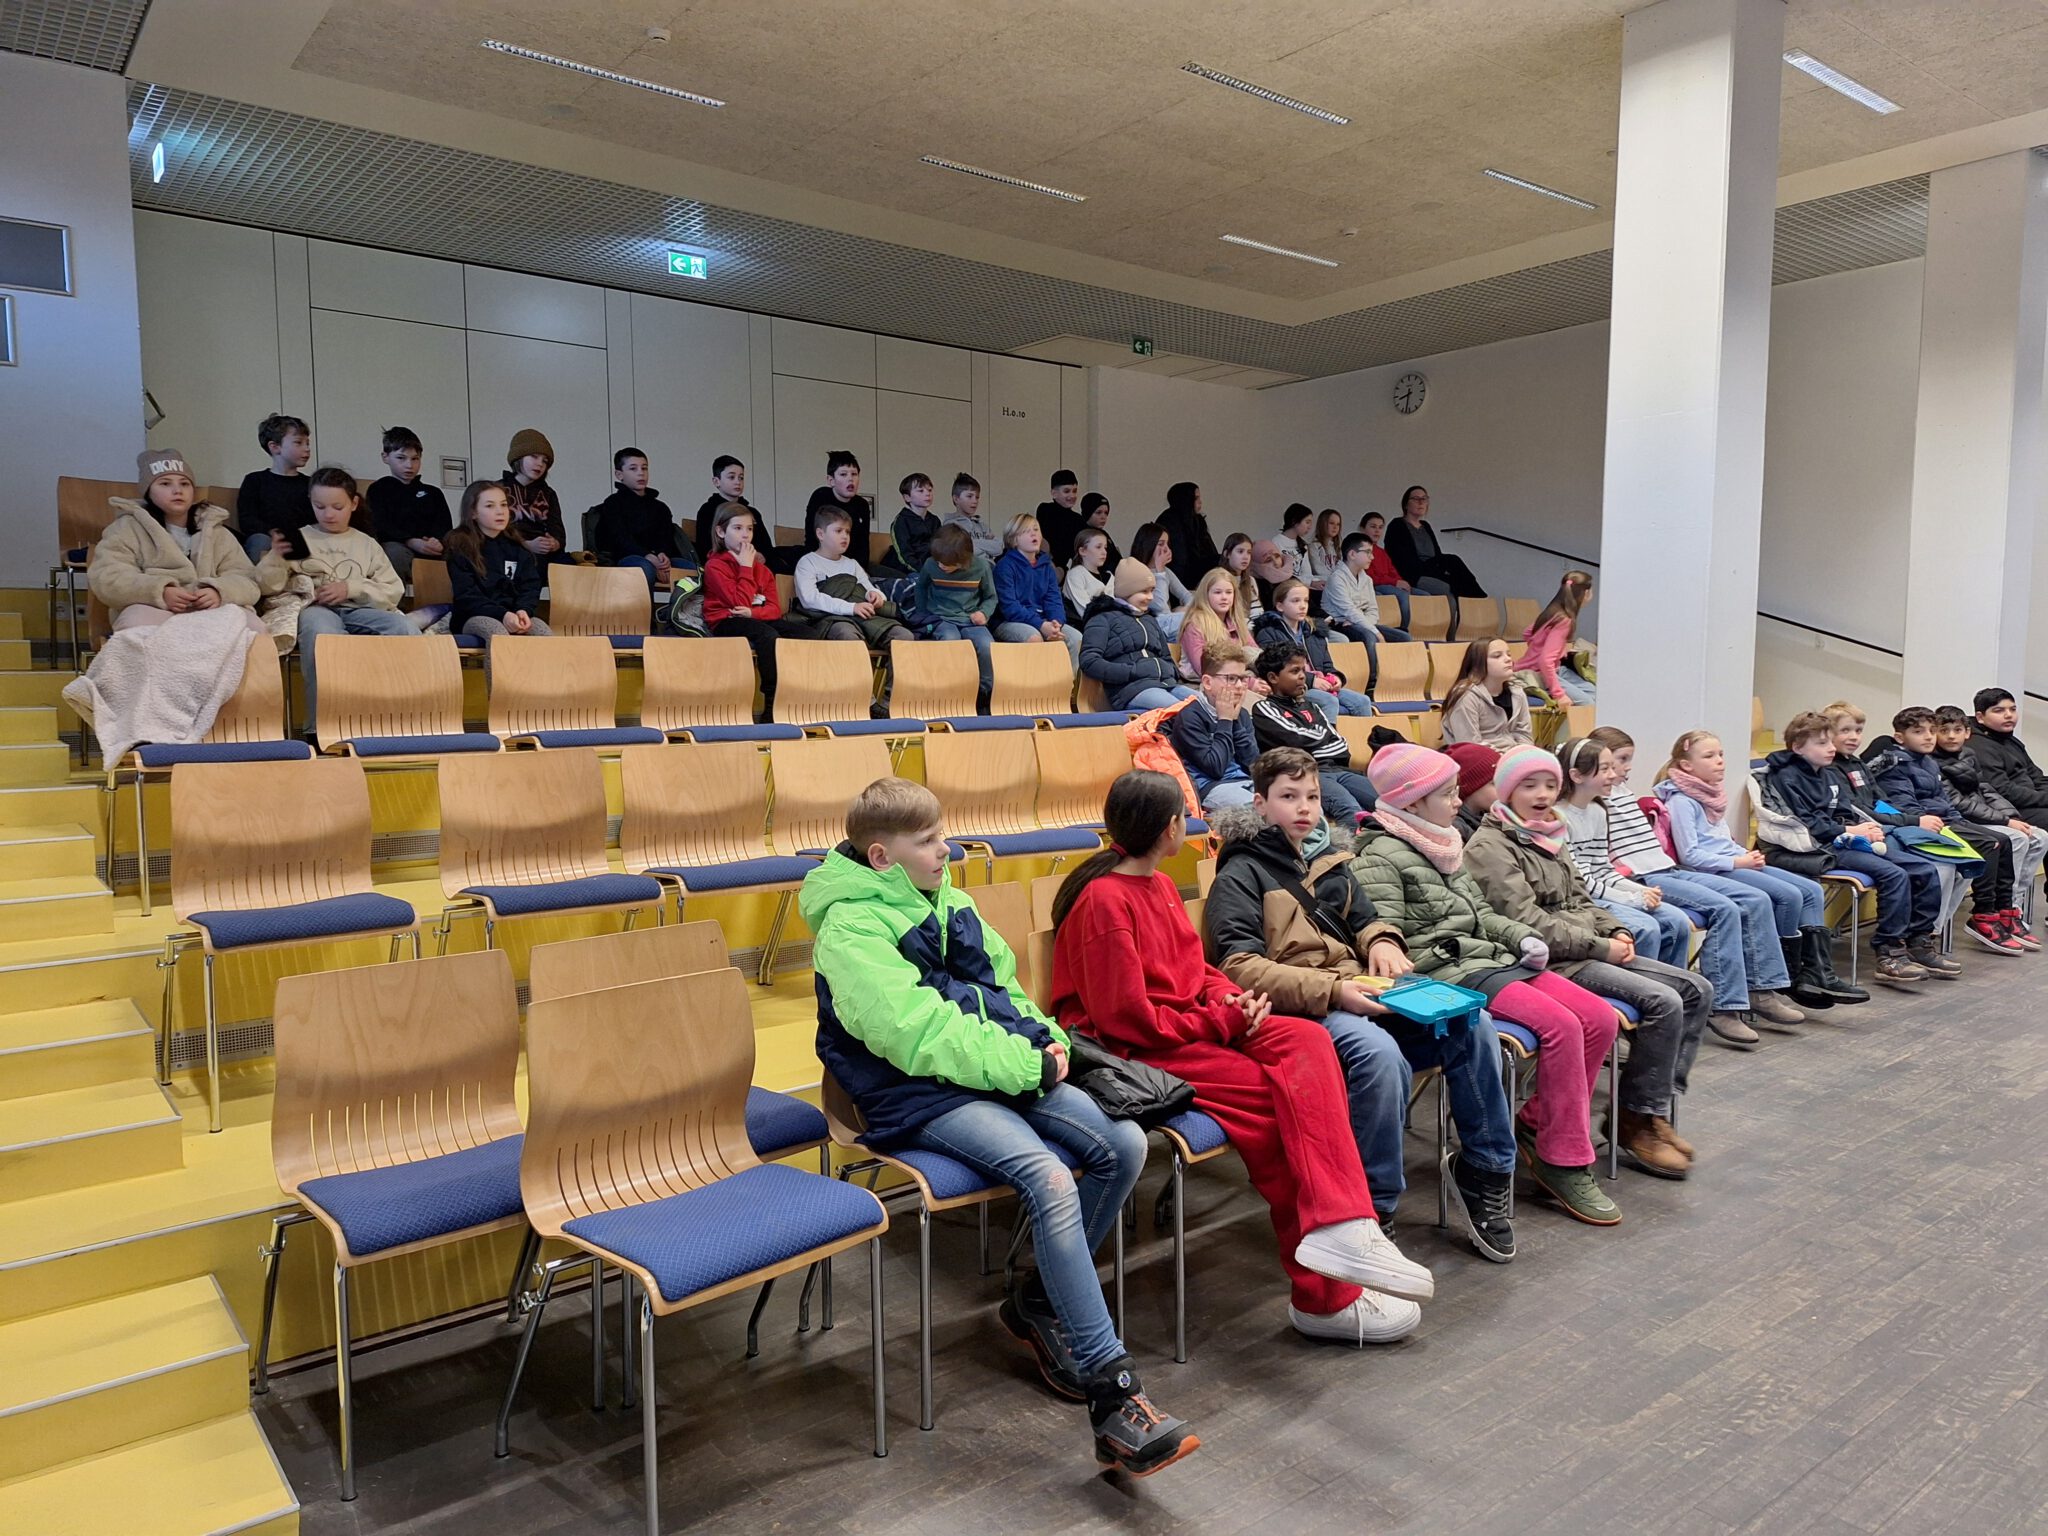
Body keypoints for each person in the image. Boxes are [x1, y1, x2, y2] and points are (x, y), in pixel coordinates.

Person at [804, 776, 1197, 1476]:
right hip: (915, 1094)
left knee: (1125, 1142)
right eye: (927, 841)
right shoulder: (850, 926)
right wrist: (1025, 1069)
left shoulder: (948, 899)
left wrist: (1048, 1045)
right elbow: (916, 1034)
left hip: (996, 1070)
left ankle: (1038, 1299)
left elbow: (1006, 991)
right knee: (1048, 1178)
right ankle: (1114, 1402)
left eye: (941, 833)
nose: (944, 848)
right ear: (880, 857)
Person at [1052, 770, 1434, 1345]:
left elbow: (1192, 971)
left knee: (1308, 1042)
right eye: (1185, 815)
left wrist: (1230, 998)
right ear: (1168, 828)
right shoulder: (1105, 901)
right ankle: (1323, 1297)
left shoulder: (1155, 883)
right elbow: (1124, 1021)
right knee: (1273, 1101)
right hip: (1138, 1047)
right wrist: (1221, 1019)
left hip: (1191, 1025)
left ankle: (1346, 1225)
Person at [1209, 748, 1520, 1260]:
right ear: (1261, 804)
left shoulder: (1333, 859)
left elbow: (1369, 919)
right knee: (1379, 1055)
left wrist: (1382, 941)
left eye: (1311, 796)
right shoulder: (1240, 876)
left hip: (1362, 988)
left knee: (1473, 1023)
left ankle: (1483, 1169)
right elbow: (1238, 968)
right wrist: (1335, 992)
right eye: (1288, 797)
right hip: (1306, 1006)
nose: (1304, 808)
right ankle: (1374, 1208)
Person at [1349, 742, 1623, 1226]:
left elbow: (1484, 915)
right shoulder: (1379, 857)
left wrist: (1523, 936)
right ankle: (1563, 1162)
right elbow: (1389, 945)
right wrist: (1472, 949)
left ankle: (1539, 1125)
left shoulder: (1442, 842)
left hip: (1493, 961)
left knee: (1598, 1016)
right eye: (1449, 794)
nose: (1460, 802)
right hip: (1454, 973)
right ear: (1413, 801)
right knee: (1560, 1025)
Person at [1464, 746, 1711, 1180]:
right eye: (1528, 785)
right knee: (1663, 1001)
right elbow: (1527, 922)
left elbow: (1582, 898)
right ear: (1506, 790)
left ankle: (1648, 1109)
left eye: (1548, 785)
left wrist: (1616, 930)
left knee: (1696, 990)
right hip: (1548, 960)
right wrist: (1599, 947)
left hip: (1586, 943)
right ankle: (1634, 1121)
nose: (1541, 794)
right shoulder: (1490, 846)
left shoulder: (1550, 833)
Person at [1585, 725, 1817, 1029]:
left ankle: (1760, 988)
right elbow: (1606, 857)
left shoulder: (1622, 792)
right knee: (1724, 909)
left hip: (1666, 868)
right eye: (1619, 761)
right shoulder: (1598, 801)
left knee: (1754, 899)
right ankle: (1723, 1006)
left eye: (1626, 761)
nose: (1625, 769)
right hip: (1643, 876)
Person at [1559, 737, 1771, 1048]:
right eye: (1605, 768)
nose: (1614, 773)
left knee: (1673, 920)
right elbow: (1581, 881)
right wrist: (1634, 896)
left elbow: (1603, 867)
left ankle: (1675, 1011)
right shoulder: (1561, 816)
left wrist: (1637, 891)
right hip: (1586, 898)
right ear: (1577, 776)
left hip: (1612, 886)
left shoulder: (1597, 810)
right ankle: (1635, 1017)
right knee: (1646, 926)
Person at [1654, 730, 1867, 1005]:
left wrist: (1745, 854)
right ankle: (1788, 975)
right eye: (1709, 756)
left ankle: (1817, 972)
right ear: (1686, 765)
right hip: (1711, 870)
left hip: (1734, 860)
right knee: (1788, 895)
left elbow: (1720, 841)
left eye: (1720, 754)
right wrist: (1738, 861)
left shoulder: (1711, 795)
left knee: (1811, 889)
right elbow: (1691, 855)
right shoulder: (1682, 801)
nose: (1720, 761)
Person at [1763, 711, 1938, 984]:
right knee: (1894, 875)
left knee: (1923, 868)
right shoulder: (1786, 777)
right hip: (1820, 847)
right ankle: (1888, 951)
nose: (1831, 748)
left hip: (1848, 838)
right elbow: (1808, 824)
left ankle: (1917, 939)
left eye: (1830, 741)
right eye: (1821, 743)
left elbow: (1847, 811)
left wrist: (1867, 829)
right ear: (1798, 747)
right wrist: (1848, 830)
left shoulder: (1829, 773)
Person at [257, 466, 411, 731]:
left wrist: (351, 588)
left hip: (359, 609)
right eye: (320, 506)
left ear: (353, 504)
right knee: (323, 636)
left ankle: (401, 717)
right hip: (316, 608)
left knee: (404, 629)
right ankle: (325, 725)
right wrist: (274, 557)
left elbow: (392, 590)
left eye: (337, 507)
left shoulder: (366, 543)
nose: (328, 514)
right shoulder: (298, 537)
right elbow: (268, 586)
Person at [1867, 707, 2020, 957]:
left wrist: (1959, 823)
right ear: (1899, 737)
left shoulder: (1926, 762)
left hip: (1942, 820)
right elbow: (1905, 806)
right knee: (1983, 848)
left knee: (1995, 844)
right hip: (1914, 827)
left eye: (1930, 731)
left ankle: (1947, 926)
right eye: (1919, 732)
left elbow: (1945, 802)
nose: (1928, 737)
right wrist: (1933, 822)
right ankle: (1965, 920)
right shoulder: (1895, 764)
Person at [91, 448, 265, 636]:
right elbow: (108, 577)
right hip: (152, 608)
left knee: (255, 629)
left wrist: (219, 591)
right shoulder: (126, 529)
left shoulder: (217, 532)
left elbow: (247, 579)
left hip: (211, 610)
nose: (177, 490)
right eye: (165, 483)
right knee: (138, 625)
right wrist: (159, 591)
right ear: (148, 491)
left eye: (185, 484)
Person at [1934, 703, 2044, 946]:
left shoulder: (1969, 754)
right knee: (2003, 840)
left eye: (1957, 730)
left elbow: (1986, 789)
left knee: (2036, 836)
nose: (1951, 736)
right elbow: (1958, 803)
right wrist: (2005, 821)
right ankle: (1986, 912)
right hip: (1958, 820)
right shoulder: (1933, 762)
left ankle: (2009, 908)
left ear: (1967, 733)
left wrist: (2011, 816)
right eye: (1944, 730)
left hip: (1979, 816)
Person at [1247, 643, 1376, 825]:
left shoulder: (1312, 706)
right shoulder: (1264, 708)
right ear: (1273, 677)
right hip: (1305, 774)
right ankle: (1354, 852)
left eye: (1303, 670)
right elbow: (1295, 739)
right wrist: (1321, 738)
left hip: (1338, 770)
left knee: (1384, 802)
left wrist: (1314, 743)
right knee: (1351, 810)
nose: (1302, 676)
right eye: (1294, 671)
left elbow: (1341, 745)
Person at [703, 503, 811, 718]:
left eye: (750, 529)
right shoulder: (715, 566)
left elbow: (774, 609)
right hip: (725, 620)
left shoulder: (762, 570)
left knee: (809, 634)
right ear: (721, 531)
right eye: (738, 528)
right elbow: (737, 601)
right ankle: (771, 702)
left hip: (754, 617)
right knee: (767, 635)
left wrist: (752, 613)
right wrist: (745, 566)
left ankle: (799, 694)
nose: (745, 535)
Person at [1078, 559, 1193, 712]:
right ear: (1127, 591)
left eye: (1152, 590)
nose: (1150, 597)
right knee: (1183, 711)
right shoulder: (1102, 619)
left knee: (1207, 707)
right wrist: (1131, 672)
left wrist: (1169, 671)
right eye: (1144, 592)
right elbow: (1089, 661)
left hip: (1166, 685)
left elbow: (1166, 657)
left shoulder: (1149, 620)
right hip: (1130, 691)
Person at [446, 480, 551, 643]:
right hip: (473, 616)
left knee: (542, 631)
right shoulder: (460, 545)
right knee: (497, 632)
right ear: (473, 512)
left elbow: (530, 586)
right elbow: (467, 595)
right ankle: (500, 670)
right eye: (490, 506)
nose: (500, 512)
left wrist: (523, 610)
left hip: (513, 614)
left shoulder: (516, 546)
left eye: (503, 505)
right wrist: (502, 614)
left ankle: (545, 670)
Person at [793, 505, 911, 650]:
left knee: (903, 636)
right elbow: (809, 599)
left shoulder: (852, 564)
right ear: (820, 534)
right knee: (847, 635)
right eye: (838, 531)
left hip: (862, 616)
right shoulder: (808, 562)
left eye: (847, 532)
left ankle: (889, 673)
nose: (845, 536)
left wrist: (876, 596)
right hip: (830, 619)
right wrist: (851, 607)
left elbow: (868, 588)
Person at [910, 523, 999, 704]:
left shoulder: (981, 567)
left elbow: (991, 597)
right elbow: (920, 588)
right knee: (951, 640)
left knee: (986, 645)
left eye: (949, 564)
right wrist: (922, 613)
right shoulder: (930, 565)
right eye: (939, 561)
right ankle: (950, 692)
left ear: (964, 560)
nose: (942, 566)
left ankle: (984, 694)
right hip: (941, 617)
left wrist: (984, 613)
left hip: (970, 618)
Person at [1253, 579, 1370, 716]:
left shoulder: (1315, 631)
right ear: (1280, 606)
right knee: (1329, 701)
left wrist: (1336, 677)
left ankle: (1361, 737)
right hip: (1291, 688)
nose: (1302, 606)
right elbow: (1276, 668)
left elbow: (1327, 665)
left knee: (1363, 701)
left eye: (1306, 601)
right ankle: (1328, 737)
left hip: (1321, 685)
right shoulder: (1268, 632)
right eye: (1295, 601)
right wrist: (1312, 680)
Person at [1169, 641, 1260, 811]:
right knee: (1260, 810)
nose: (1240, 686)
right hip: (1213, 787)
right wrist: (1225, 721)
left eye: (1242, 678)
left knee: (1293, 804)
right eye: (1231, 679)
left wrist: (1235, 721)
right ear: (1208, 682)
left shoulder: (1241, 714)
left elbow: (1254, 765)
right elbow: (1215, 768)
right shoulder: (1190, 717)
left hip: (1247, 782)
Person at [1383, 486, 1486, 635]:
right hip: (1413, 573)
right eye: (1416, 499)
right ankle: (1448, 635)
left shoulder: (1426, 526)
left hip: (1431, 568)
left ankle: (1468, 619)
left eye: (1424, 499)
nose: (1421, 502)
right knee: (1447, 589)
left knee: (1454, 571)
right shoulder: (1397, 525)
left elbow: (1437, 553)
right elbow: (1400, 559)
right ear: (1406, 504)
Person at [592, 447, 692, 592]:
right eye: (633, 468)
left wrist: (662, 556)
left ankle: (679, 612)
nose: (640, 473)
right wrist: (648, 557)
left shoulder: (660, 507)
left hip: (660, 558)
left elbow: (666, 536)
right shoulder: (613, 503)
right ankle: (645, 614)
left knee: (693, 571)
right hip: (627, 558)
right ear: (619, 474)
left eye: (644, 468)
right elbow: (620, 538)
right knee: (644, 569)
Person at [993, 513, 1080, 667]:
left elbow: (1054, 599)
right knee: (1034, 638)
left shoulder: (1046, 566)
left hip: (1044, 620)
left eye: (1036, 529)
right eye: (1026, 531)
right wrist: (1040, 625)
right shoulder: (1005, 566)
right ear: (1014, 539)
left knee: (1076, 638)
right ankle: (1036, 687)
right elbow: (1009, 607)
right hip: (1010, 621)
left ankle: (1068, 687)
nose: (1034, 534)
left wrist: (1056, 623)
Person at [366, 427, 451, 580]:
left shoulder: (433, 493)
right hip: (400, 546)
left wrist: (436, 541)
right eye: (401, 458)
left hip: (432, 547)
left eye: (415, 459)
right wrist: (410, 541)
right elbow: (380, 526)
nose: (409, 465)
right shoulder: (378, 490)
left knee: (462, 552)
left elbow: (444, 526)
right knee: (394, 553)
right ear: (385, 457)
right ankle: (397, 602)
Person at [235, 413, 313, 564]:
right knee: (259, 540)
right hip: (268, 541)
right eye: (298, 443)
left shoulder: (311, 484)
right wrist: (272, 532)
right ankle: (258, 581)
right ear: (275, 447)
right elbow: (247, 519)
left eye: (307, 443)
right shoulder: (255, 481)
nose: (307, 449)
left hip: (302, 542)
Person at [1518, 571, 1596, 706]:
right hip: (1542, 672)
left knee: (1596, 694)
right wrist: (1559, 694)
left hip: (1556, 668)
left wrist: (1537, 647)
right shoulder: (1564, 620)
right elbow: (1545, 661)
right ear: (1586, 593)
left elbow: (1528, 633)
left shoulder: (1553, 611)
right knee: (1587, 703)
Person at [1439, 637, 1533, 750]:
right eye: (1497, 656)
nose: (1508, 659)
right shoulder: (1465, 696)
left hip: (1513, 759)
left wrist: (1523, 757)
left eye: (1508, 654)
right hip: (1478, 761)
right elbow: (1469, 746)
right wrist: (1507, 759)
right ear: (1478, 664)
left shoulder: (1517, 692)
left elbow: (1524, 735)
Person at [1178, 567, 1263, 690]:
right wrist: (1249, 683)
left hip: (1237, 679)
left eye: (1229, 592)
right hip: (1202, 685)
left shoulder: (1236, 622)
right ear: (1205, 595)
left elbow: (1256, 655)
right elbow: (1204, 669)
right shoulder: (1194, 624)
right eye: (1217, 592)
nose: (1224, 597)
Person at [1324, 532, 1410, 648]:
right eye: (1368, 552)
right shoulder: (1336, 579)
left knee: (1404, 638)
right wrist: (1376, 632)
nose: (1372, 557)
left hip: (1361, 622)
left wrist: (1365, 624)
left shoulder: (1367, 580)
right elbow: (1349, 611)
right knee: (1370, 637)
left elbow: (1373, 610)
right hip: (1340, 624)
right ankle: (1373, 667)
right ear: (1352, 554)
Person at [501, 428, 568, 567]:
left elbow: (557, 530)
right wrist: (526, 545)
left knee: (568, 565)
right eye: (534, 456)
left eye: (545, 461)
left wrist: (554, 543)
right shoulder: (497, 490)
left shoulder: (548, 493)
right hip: (510, 552)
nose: (540, 464)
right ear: (518, 458)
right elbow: (492, 532)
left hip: (543, 552)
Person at [803, 449, 873, 559]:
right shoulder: (821, 496)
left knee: (896, 576)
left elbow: (863, 544)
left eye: (854, 474)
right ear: (831, 480)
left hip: (852, 563)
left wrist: (860, 570)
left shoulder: (862, 505)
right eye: (843, 474)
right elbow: (812, 537)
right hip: (823, 560)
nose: (850, 479)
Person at [1128, 523, 1190, 641]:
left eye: (1167, 544)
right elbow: (1159, 609)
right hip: (1151, 626)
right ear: (1148, 545)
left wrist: (1184, 609)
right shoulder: (1137, 572)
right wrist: (1159, 571)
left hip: (1168, 623)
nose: (1166, 549)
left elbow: (1186, 595)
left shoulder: (1166, 572)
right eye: (1161, 544)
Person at [1157, 481, 1219, 589]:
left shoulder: (1197, 520)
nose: (1200, 502)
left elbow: (1209, 550)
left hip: (1197, 571)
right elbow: (1179, 559)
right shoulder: (1169, 520)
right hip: (1177, 576)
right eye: (1196, 498)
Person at [692, 454, 749, 568]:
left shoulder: (751, 512)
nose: (738, 482)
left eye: (741, 477)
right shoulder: (708, 510)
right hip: (722, 564)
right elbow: (705, 546)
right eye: (731, 477)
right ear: (716, 481)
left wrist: (761, 555)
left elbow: (765, 545)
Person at [1358, 512, 1410, 631]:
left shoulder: (1381, 552)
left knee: (1423, 595)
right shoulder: (1360, 550)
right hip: (1376, 585)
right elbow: (1370, 577)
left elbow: (1392, 570)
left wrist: (1400, 581)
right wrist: (1395, 583)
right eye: (1373, 526)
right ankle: (1403, 629)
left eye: (1380, 527)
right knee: (1402, 595)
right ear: (1362, 528)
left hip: (1389, 583)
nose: (1377, 531)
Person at [942, 472, 1002, 561]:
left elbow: (998, 548)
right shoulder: (951, 525)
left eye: (977, 497)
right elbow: (960, 551)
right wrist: (987, 544)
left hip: (989, 568)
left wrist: (971, 543)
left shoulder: (982, 525)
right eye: (969, 496)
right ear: (956, 499)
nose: (975, 501)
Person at [889, 472, 941, 574]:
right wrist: (923, 571)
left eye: (929, 490)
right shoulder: (901, 521)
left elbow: (940, 549)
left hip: (930, 568)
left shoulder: (935, 520)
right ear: (907, 497)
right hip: (906, 570)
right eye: (920, 491)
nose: (927, 494)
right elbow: (904, 555)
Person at [1063, 527, 1115, 623]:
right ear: (1083, 551)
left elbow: (1113, 604)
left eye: (1105, 548)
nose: (1104, 552)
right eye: (1098, 547)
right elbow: (1084, 609)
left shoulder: (1109, 577)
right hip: (1082, 625)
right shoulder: (1075, 575)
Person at [1036, 470, 1083, 570]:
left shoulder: (1078, 519)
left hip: (1065, 568)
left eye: (1074, 491)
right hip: (1043, 564)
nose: (1072, 495)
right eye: (1066, 491)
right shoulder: (1045, 510)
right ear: (1054, 493)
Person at [1220, 532, 1264, 620]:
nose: (1246, 557)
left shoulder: (1250, 581)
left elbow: (1257, 612)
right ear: (1227, 554)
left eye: (1249, 552)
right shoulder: (1218, 580)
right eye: (1240, 552)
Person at [1302, 509, 1346, 591]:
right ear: (1323, 524)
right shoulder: (1313, 546)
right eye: (1331, 523)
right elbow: (1318, 569)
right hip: (1322, 585)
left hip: (1338, 584)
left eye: (1338, 524)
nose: (1335, 527)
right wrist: (1336, 578)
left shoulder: (1338, 548)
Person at [1080, 493, 1122, 569]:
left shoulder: (1104, 534)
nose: (1103, 517)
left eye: (1106, 513)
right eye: (1098, 513)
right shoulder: (1083, 535)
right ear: (1088, 513)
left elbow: (1116, 558)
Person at [1273, 504, 1315, 578]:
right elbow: (1278, 573)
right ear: (1294, 521)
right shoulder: (1276, 542)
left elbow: (1307, 573)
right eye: (1307, 522)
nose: (1310, 527)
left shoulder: (1302, 545)